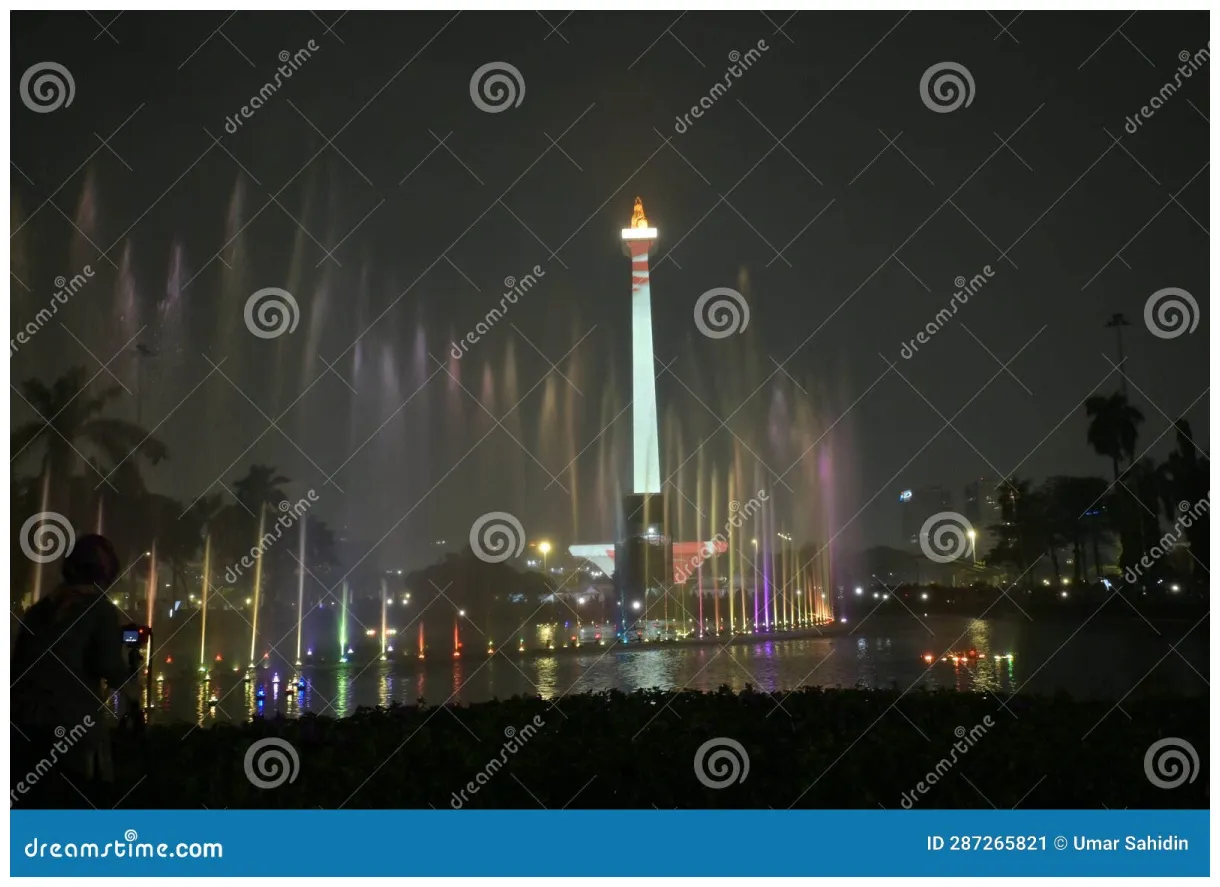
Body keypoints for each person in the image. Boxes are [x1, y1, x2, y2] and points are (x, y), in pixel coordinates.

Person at [11, 535, 140, 808]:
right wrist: (132, 689)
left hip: (21, 726)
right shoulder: (99, 610)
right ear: (104, 574)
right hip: (71, 729)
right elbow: (109, 667)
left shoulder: (39, 610)